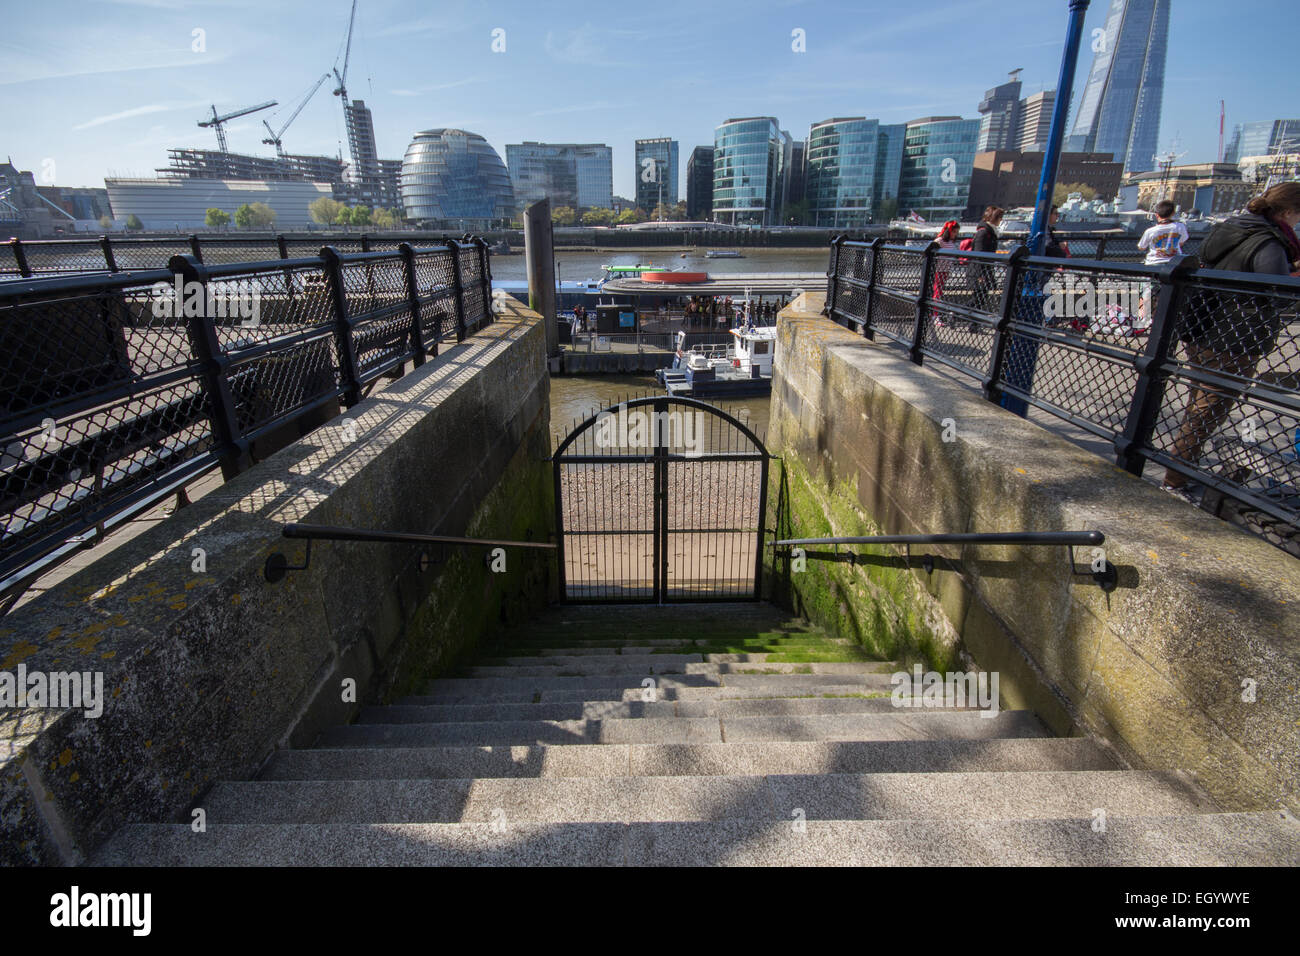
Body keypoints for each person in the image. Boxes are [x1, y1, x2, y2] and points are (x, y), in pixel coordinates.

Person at [1161, 181, 1300, 498]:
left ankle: (1178, 471)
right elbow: (1277, 295)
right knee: (1208, 409)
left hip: (1203, 326)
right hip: (1235, 336)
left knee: (1199, 404)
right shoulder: (1268, 241)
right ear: (1288, 211)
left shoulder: (1234, 227)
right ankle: (1173, 481)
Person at [1135, 200, 1188, 326]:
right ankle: (1163, 321)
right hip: (1173, 265)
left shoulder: (1151, 231)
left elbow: (1141, 247)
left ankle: (1144, 321)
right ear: (1173, 213)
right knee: (1166, 294)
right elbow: (1182, 241)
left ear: (1156, 214)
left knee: (1147, 293)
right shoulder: (1180, 227)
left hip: (1153, 265)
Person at [971, 206, 1004, 328]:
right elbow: (979, 254)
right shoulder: (984, 232)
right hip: (980, 271)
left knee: (980, 298)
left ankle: (973, 323)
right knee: (978, 298)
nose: (1001, 220)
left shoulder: (989, 232)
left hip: (984, 270)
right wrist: (980, 274)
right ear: (994, 217)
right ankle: (958, 315)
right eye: (1000, 217)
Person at [931, 220, 961, 328]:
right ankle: (935, 315)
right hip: (938, 270)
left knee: (938, 292)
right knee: (937, 293)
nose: (955, 234)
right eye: (954, 232)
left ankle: (935, 314)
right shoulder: (940, 241)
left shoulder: (951, 242)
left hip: (945, 270)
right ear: (949, 231)